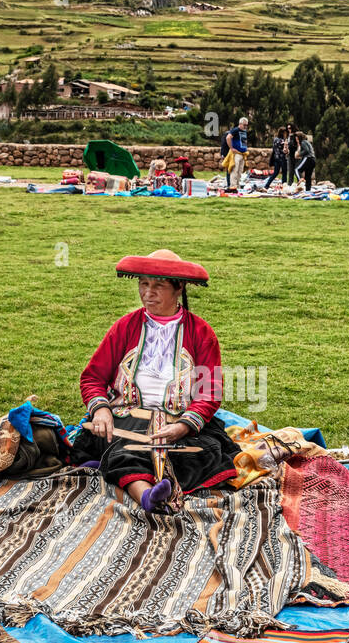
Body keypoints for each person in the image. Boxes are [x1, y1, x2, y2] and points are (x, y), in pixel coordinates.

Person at [72, 249, 239, 513]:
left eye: (158, 286)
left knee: (199, 451)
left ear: (178, 287)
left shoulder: (201, 332)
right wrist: (102, 410)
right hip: (126, 416)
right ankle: (148, 496)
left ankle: (118, 472)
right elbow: (92, 377)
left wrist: (184, 426)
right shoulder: (125, 327)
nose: (147, 293)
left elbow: (209, 391)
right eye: (143, 284)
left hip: (179, 420)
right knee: (127, 445)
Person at [229, 117, 249, 188]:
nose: (245, 126)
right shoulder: (236, 130)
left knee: (240, 171)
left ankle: (237, 185)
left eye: (247, 125)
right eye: (244, 125)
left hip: (243, 154)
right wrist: (231, 148)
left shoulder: (244, 131)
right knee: (235, 170)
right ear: (240, 124)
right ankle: (233, 185)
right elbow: (228, 137)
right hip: (237, 153)